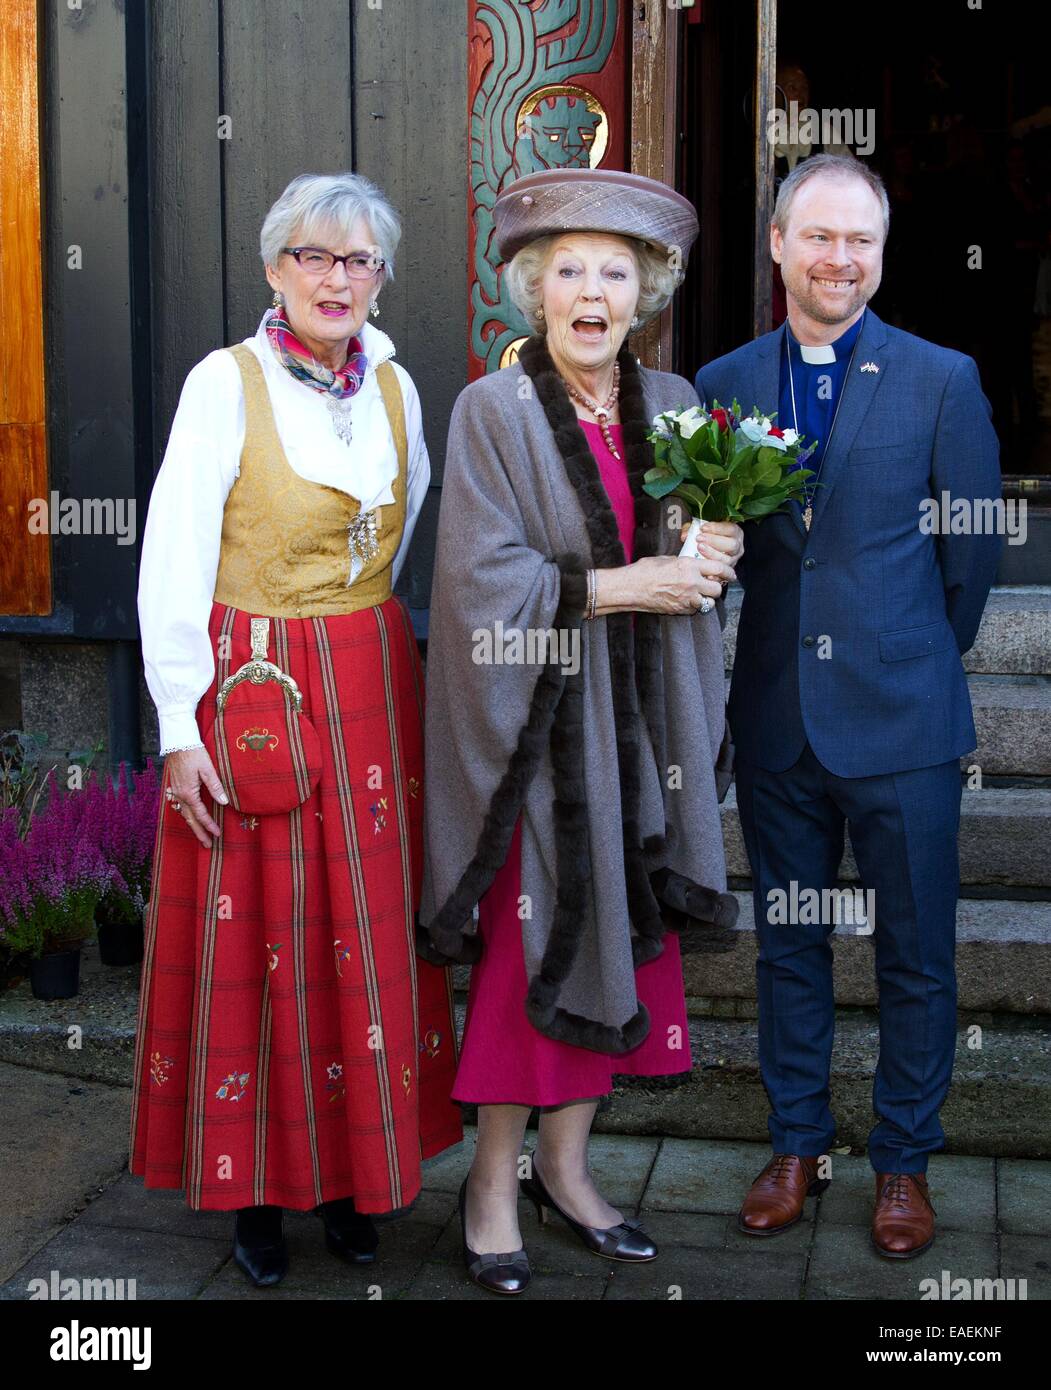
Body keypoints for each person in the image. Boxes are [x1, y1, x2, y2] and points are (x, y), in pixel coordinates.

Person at [130, 172, 462, 1287]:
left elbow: (401, 535)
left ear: (380, 278)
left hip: (370, 678)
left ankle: (351, 1178)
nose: (336, 278)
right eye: (313, 256)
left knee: (362, 936)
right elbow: (172, 554)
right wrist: (182, 723)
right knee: (260, 930)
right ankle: (259, 1190)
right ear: (276, 269)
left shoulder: (404, 390)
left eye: (358, 260)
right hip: (257, 691)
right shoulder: (224, 384)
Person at [418, 167, 744, 1294]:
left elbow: (700, 559)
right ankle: (491, 1183)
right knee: (530, 954)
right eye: (568, 270)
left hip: (644, 732)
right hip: (539, 734)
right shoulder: (489, 413)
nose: (592, 291)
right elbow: (474, 584)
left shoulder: (686, 403)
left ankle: (569, 1167)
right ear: (531, 287)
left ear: (646, 290)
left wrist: (711, 557)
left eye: (615, 270)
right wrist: (624, 584)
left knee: (627, 945)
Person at [695, 153, 1002, 1259]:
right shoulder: (722, 381)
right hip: (777, 715)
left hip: (904, 721)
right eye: (817, 237)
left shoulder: (940, 377)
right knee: (789, 946)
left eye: (859, 240)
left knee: (917, 956)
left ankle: (903, 1166)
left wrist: (916, 659)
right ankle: (796, 1144)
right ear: (777, 244)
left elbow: (969, 552)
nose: (839, 259)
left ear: (880, 253)